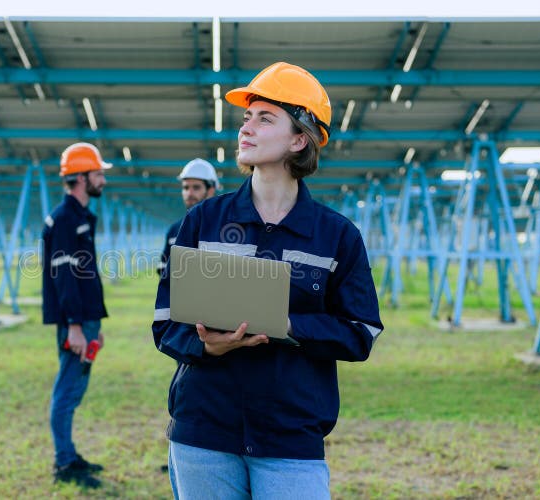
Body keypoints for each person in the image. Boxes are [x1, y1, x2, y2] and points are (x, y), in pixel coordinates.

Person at [152, 62, 384, 499]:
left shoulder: (337, 237)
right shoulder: (204, 221)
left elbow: (361, 332)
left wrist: (287, 324)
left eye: (265, 118)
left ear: (299, 139)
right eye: (246, 118)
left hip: (289, 437)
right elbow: (165, 323)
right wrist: (206, 344)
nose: (247, 128)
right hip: (204, 430)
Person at [42, 142, 111, 489]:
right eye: (99, 173)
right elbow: (65, 276)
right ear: (82, 177)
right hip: (76, 322)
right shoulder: (67, 219)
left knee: (75, 389)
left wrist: (93, 323)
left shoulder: (79, 217)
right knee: (67, 392)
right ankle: (64, 462)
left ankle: (69, 454)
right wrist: (75, 327)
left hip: (85, 319)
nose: (103, 179)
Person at [157, 158, 220, 275]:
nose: (189, 193)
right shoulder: (174, 230)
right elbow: (163, 269)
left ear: (211, 191)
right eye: (186, 188)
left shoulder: (226, 227)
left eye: (196, 187)